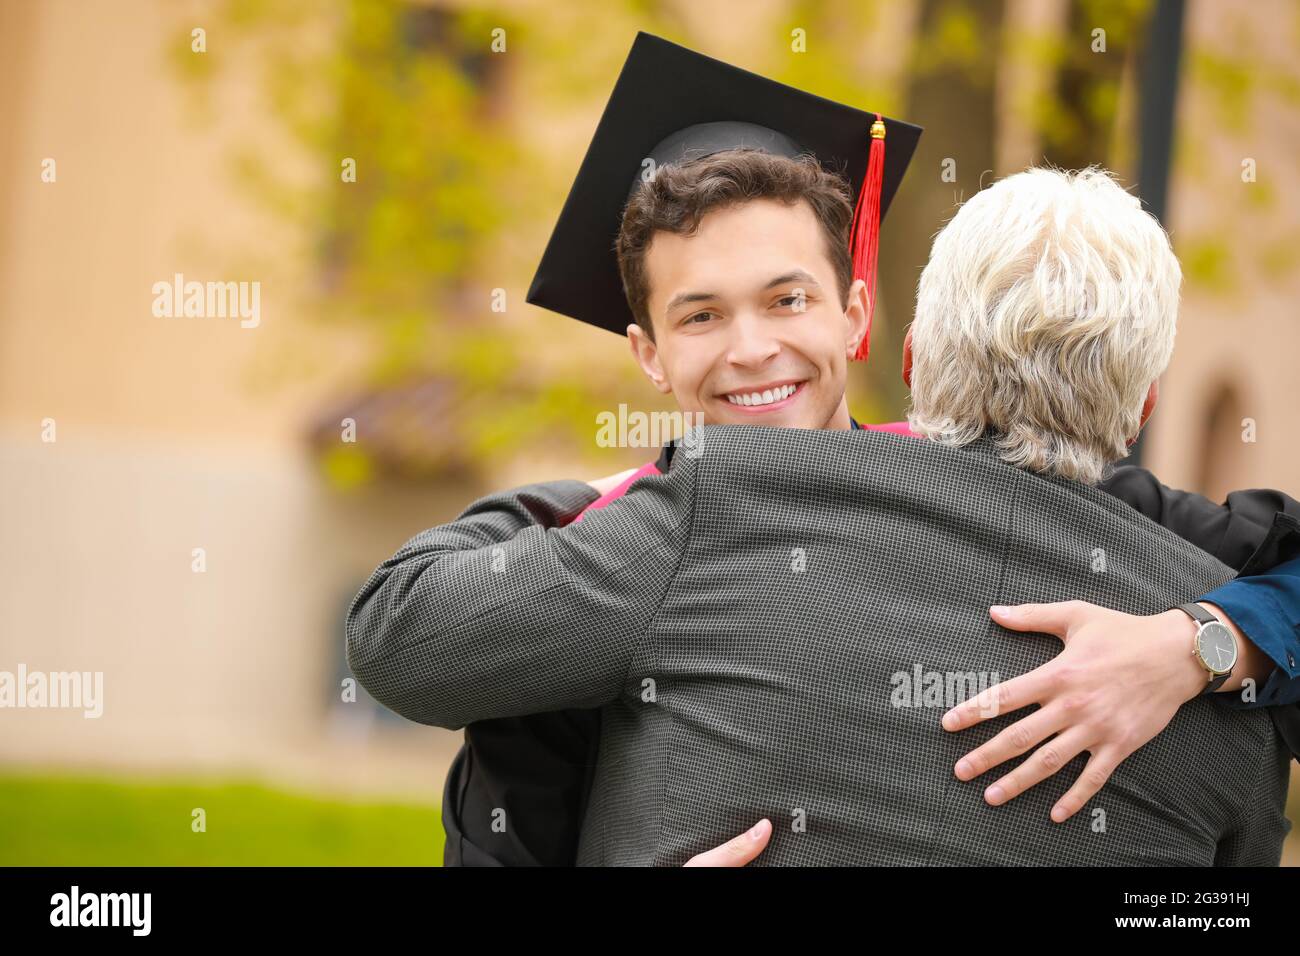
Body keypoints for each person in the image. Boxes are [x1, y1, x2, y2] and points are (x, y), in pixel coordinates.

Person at [353, 33, 1300, 865]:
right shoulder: (601, 549)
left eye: (787, 299)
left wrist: (1205, 644)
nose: (753, 347)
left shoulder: (1104, 511)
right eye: (700, 315)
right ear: (648, 352)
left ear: (858, 314)